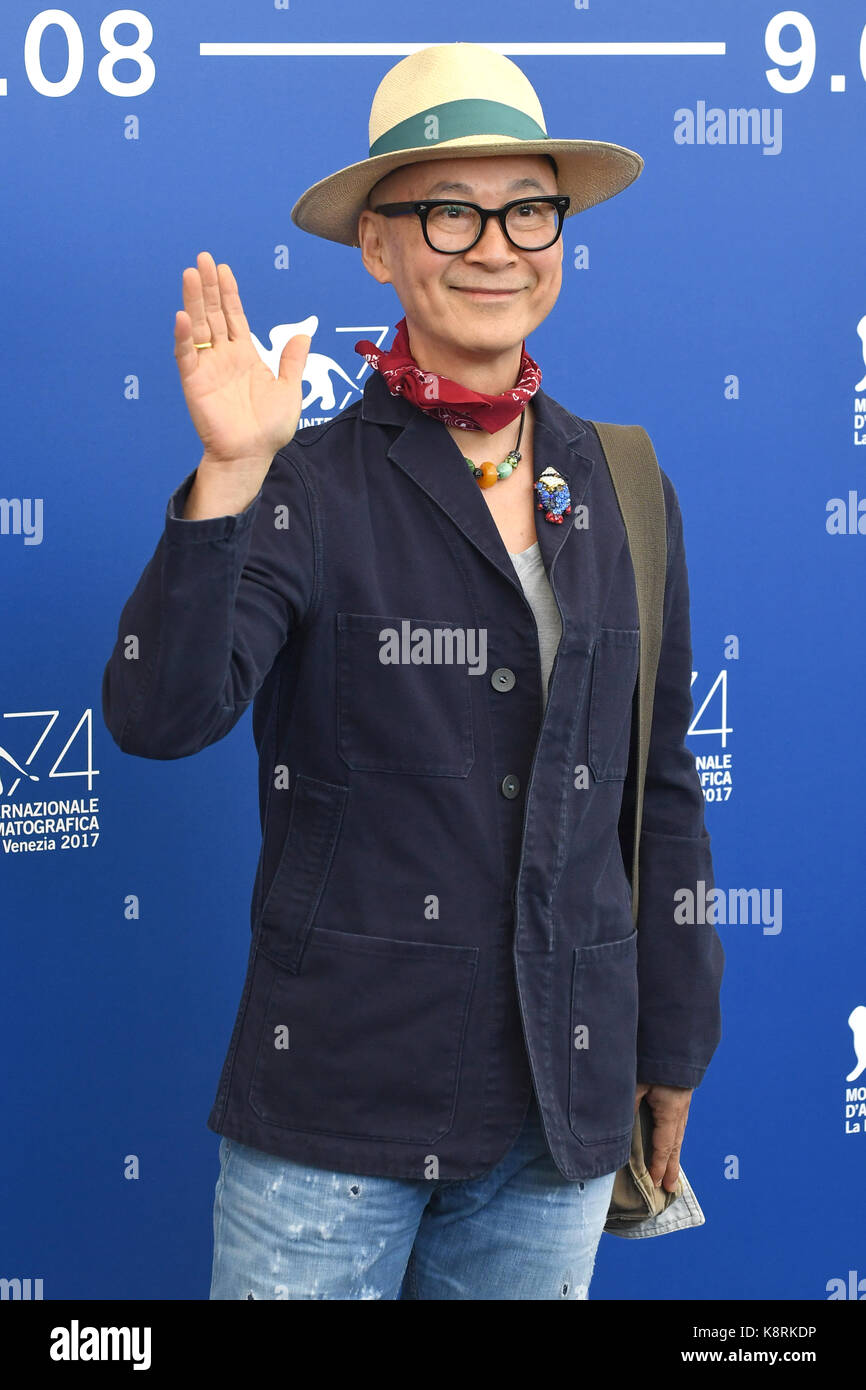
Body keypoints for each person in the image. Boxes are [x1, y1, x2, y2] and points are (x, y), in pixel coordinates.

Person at [102, 42, 724, 1300]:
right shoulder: (304, 483)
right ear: (377, 247)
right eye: (449, 209)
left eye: (526, 209)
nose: (494, 244)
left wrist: (671, 1041)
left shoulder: (626, 482)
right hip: (334, 1114)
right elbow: (160, 715)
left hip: (560, 1109)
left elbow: (655, 791)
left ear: (560, 233)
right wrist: (227, 476)